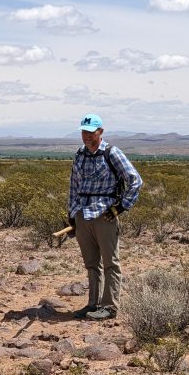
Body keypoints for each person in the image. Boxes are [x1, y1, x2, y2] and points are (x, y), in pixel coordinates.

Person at [68, 113, 143, 321]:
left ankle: (110, 307)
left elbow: (135, 180)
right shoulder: (80, 155)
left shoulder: (112, 153)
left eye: (91, 132)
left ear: (100, 132)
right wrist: (71, 214)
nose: (87, 136)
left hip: (105, 215)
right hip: (83, 214)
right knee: (91, 263)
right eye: (84, 132)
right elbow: (74, 186)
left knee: (111, 263)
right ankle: (93, 304)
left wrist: (121, 207)